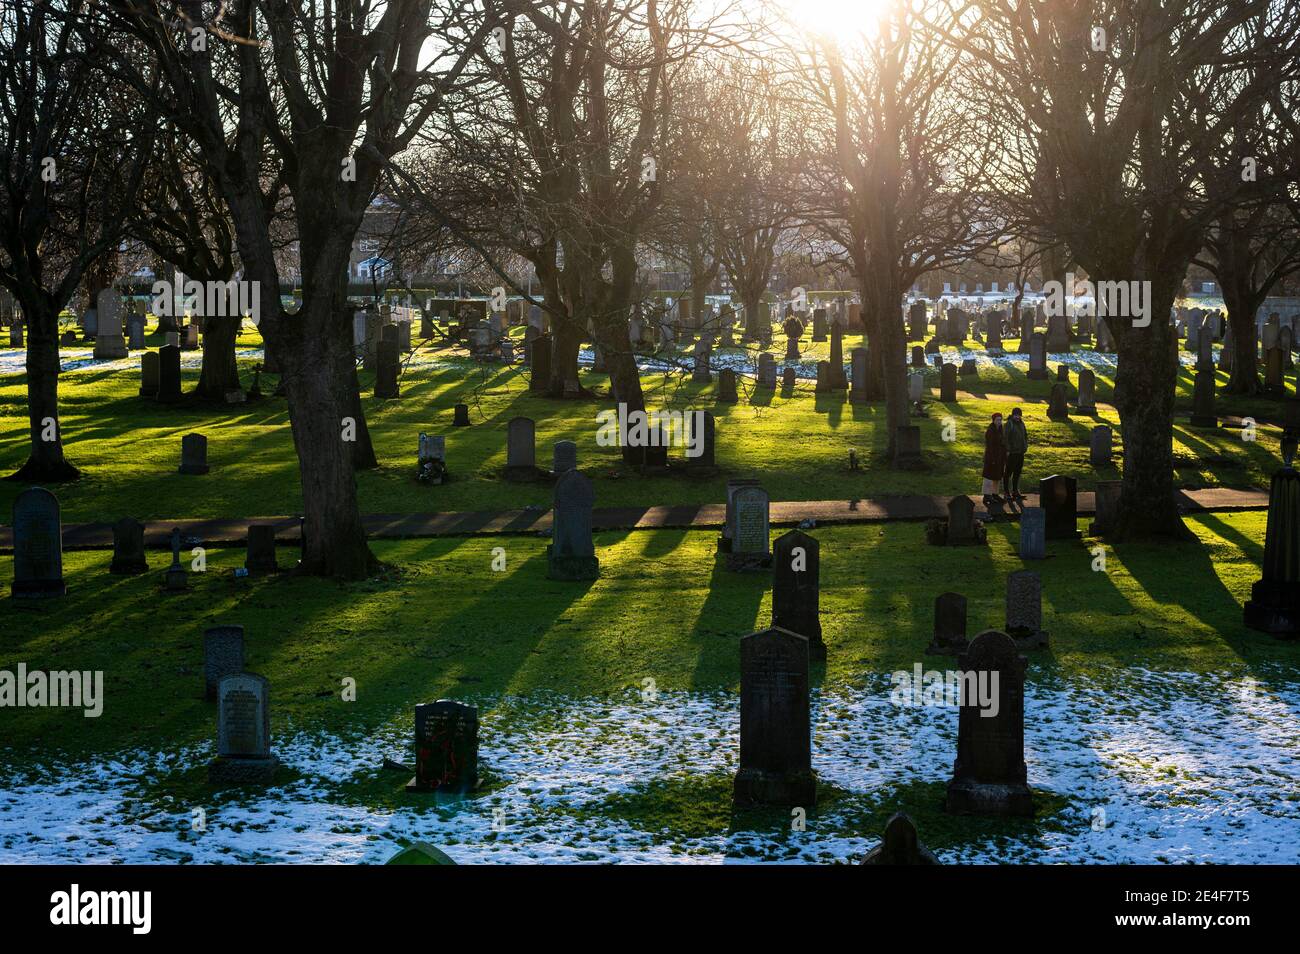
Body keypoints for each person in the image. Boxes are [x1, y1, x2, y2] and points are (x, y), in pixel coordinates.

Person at [982, 412, 1007, 508]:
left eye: (1000, 420)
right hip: (991, 456)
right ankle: (987, 495)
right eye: (997, 420)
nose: (999, 422)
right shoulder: (990, 430)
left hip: (1000, 456)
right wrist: (992, 458)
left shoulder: (1001, 430)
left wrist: (1004, 455)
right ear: (993, 420)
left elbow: (1003, 443)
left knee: (997, 476)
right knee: (988, 476)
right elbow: (990, 446)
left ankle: (995, 494)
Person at [1003, 406, 1028, 499]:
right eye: (1016, 415)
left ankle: (1015, 491)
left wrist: (1025, 446)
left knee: (1017, 472)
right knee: (1008, 473)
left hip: (1020, 452)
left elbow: (1025, 435)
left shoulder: (1022, 424)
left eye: (1019, 415)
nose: (1017, 417)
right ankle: (1006, 492)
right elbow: (1006, 438)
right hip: (1012, 453)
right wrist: (1008, 450)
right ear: (1013, 415)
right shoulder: (1009, 424)